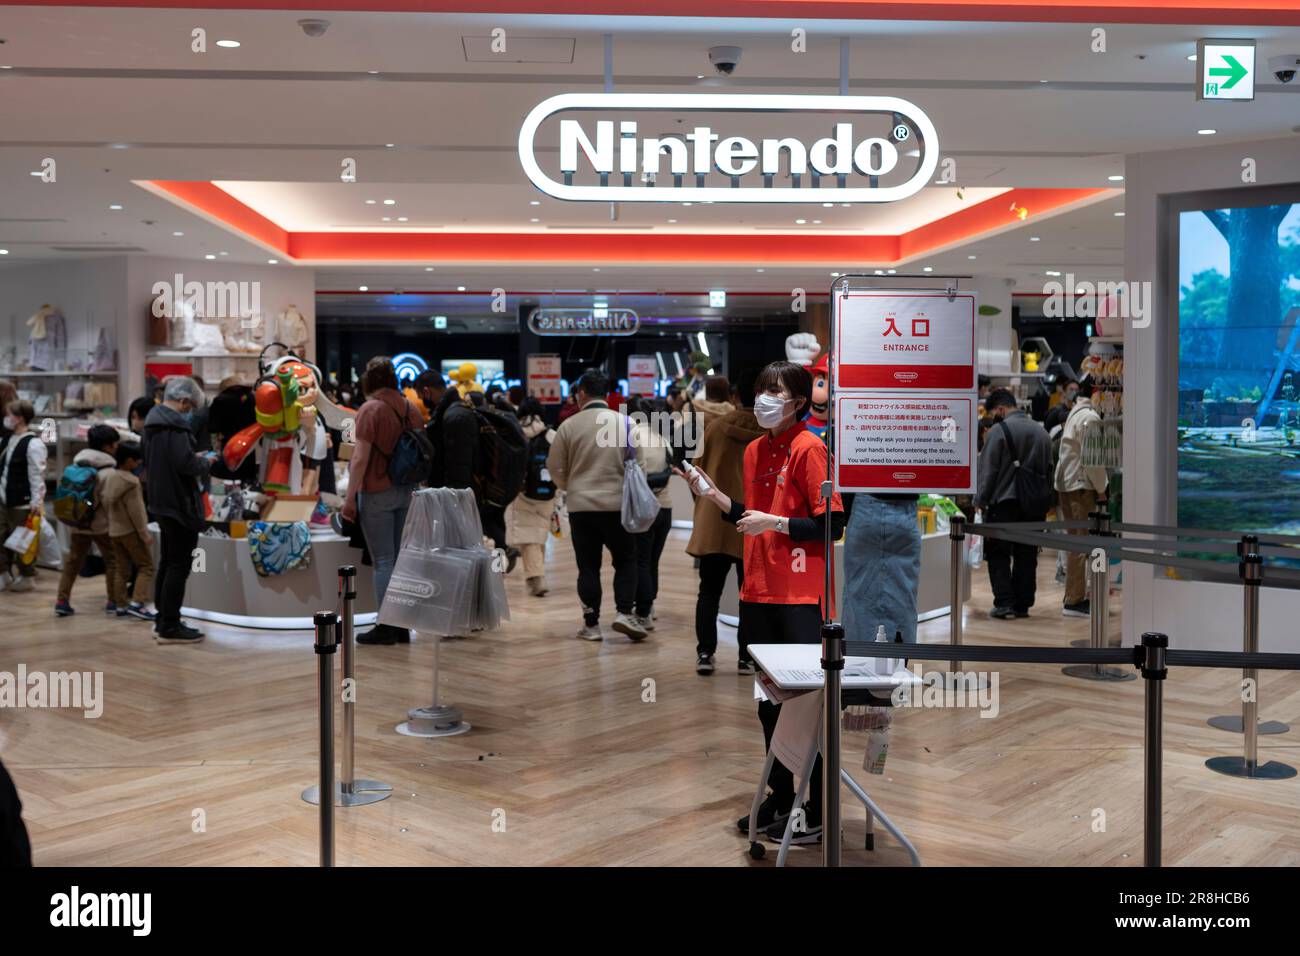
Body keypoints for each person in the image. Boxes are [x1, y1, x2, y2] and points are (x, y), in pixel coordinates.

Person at [680, 360, 845, 845]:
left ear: (799, 401)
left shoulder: (810, 448)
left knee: (806, 705)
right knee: (768, 704)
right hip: (757, 592)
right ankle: (781, 795)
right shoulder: (755, 450)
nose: (765, 399)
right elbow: (750, 516)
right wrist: (715, 497)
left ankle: (817, 808)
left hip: (799, 596)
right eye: (762, 390)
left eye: (777, 391)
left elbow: (832, 523)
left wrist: (774, 524)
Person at [546, 367, 646, 642]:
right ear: (607, 395)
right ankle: (624, 612)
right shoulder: (626, 423)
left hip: (581, 507)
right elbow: (640, 466)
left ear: (581, 394)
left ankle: (591, 624)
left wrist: (570, 485)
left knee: (588, 567)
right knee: (626, 560)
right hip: (618, 507)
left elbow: (554, 466)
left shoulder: (569, 426)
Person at [684, 366, 763, 674]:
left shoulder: (715, 428)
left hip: (715, 521)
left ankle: (705, 654)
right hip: (754, 523)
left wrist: (703, 508)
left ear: (735, 395)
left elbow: (696, 473)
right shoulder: (770, 432)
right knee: (750, 596)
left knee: (709, 592)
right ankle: (746, 657)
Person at [343, 356, 423, 646]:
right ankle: (401, 625)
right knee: (400, 560)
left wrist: (349, 498)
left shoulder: (370, 409)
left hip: (377, 491)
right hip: (407, 490)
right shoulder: (410, 408)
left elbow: (360, 457)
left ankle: (386, 624)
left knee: (384, 561)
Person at [142, 377, 214, 643]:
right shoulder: (176, 428)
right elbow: (185, 464)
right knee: (179, 565)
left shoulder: (152, 424)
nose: (190, 411)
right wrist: (206, 463)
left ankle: (163, 619)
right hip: (179, 503)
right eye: (190, 406)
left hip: (160, 501)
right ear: (183, 401)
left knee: (168, 562)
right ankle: (170, 625)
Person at [976, 388, 1052, 620]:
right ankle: (1023, 604)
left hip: (1004, 504)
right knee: (1027, 554)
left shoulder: (998, 432)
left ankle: (1004, 603)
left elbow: (988, 471)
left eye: (993, 413)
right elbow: (1049, 470)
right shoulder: (1041, 432)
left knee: (998, 553)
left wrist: (980, 500)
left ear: (1000, 409)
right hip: (1034, 505)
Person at [54, 424, 120, 617]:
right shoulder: (108, 472)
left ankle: (62, 600)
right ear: (107, 446)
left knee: (73, 562)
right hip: (101, 526)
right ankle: (113, 601)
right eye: (115, 443)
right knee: (112, 561)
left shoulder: (75, 466)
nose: (117, 446)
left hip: (78, 523)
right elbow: (109, 502)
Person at [1055, 377, 1109, 617]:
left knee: (1075, 543)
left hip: (1068, 484)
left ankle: (1072, 596)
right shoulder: (1090, 418)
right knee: (1081, 544)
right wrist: (1102, 488)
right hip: (1080, 486)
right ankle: (1074, 601)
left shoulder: (1076, 413)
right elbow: (1093, 460)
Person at [630, 397, 674, 632]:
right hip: (665, 508)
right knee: (652, 561)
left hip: (643, 508)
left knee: (641, 561)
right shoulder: (662, 439)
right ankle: (650, 605)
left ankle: (643, 611)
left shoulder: (632, 436)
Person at [102, 442, 157, 621]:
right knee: (146, 567)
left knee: (121, 568)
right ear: (128, 460)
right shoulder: (132, 482)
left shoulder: (110, 476)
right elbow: (137, 511)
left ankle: (120, 605)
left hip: (114, 530)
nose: (139, 462)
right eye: (136, 459)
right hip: (130, 531)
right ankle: (137, 604)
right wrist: (144, 533)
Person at [508, 397, 555, 597]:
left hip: (523, 492)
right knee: (539, 535)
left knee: (529, 538)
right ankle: (537, 574)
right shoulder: (551, 434)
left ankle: (537, 578)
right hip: (548, 493)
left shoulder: (517, 432)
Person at [0, 400, 47, 592]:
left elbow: (37, 475)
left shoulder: (33, 444)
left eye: (9, 414)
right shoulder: (7, 440)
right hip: (3, 498)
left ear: (19, 418)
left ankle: (27, 575)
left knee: (23, 540)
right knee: (1, 536)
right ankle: (3, 573)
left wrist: (36, 502)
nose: (6, 418)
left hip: (22, 502)